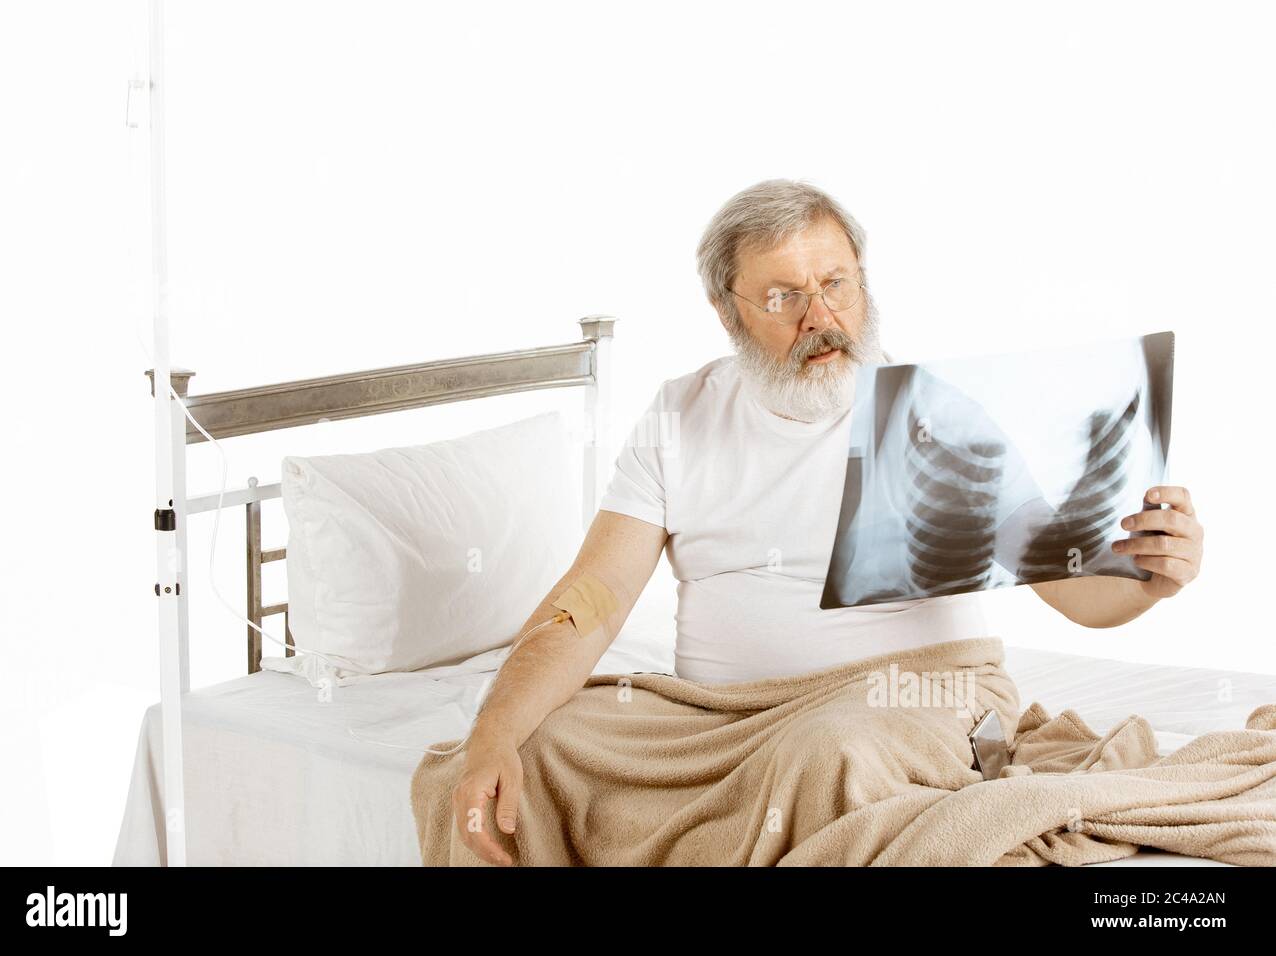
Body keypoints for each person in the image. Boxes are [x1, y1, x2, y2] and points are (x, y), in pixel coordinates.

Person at [450, 179, 1205, 865]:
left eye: (835, 284)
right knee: (533, 743)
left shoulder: (931, 415)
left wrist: (1148, 579)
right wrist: (494, 731)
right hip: (721, 722)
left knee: (828, 752)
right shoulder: (678, 413)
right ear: (726, 311)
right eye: (782, 296)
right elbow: (594, 594)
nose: (822, 317)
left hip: (914, 700)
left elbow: (1077, 589)